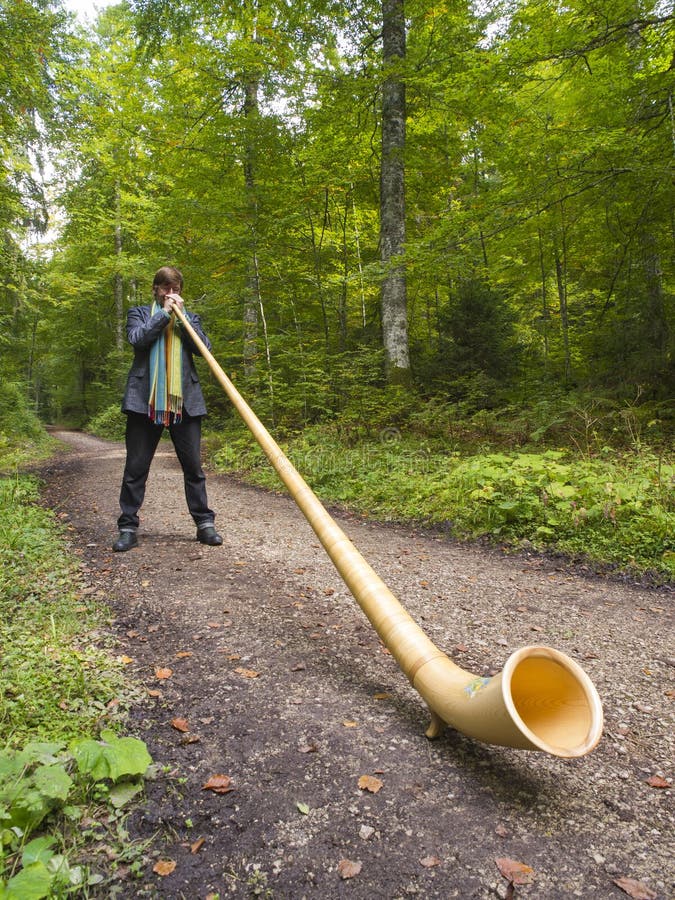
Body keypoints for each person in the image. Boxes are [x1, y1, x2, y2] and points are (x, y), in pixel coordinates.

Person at [112, 266, 222, 551]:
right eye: (166, 289)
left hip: (185, 402)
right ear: (156, 290)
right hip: (143, 402)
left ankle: (204, 524)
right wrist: (163, 314)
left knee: (194, 468)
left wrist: (183, 321)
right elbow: (138, 339)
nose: (171, 295)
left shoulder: (191, 318)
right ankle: (127, 527)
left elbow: (205, 349)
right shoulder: (139, 313)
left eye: (176, 290)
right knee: (136, 467)